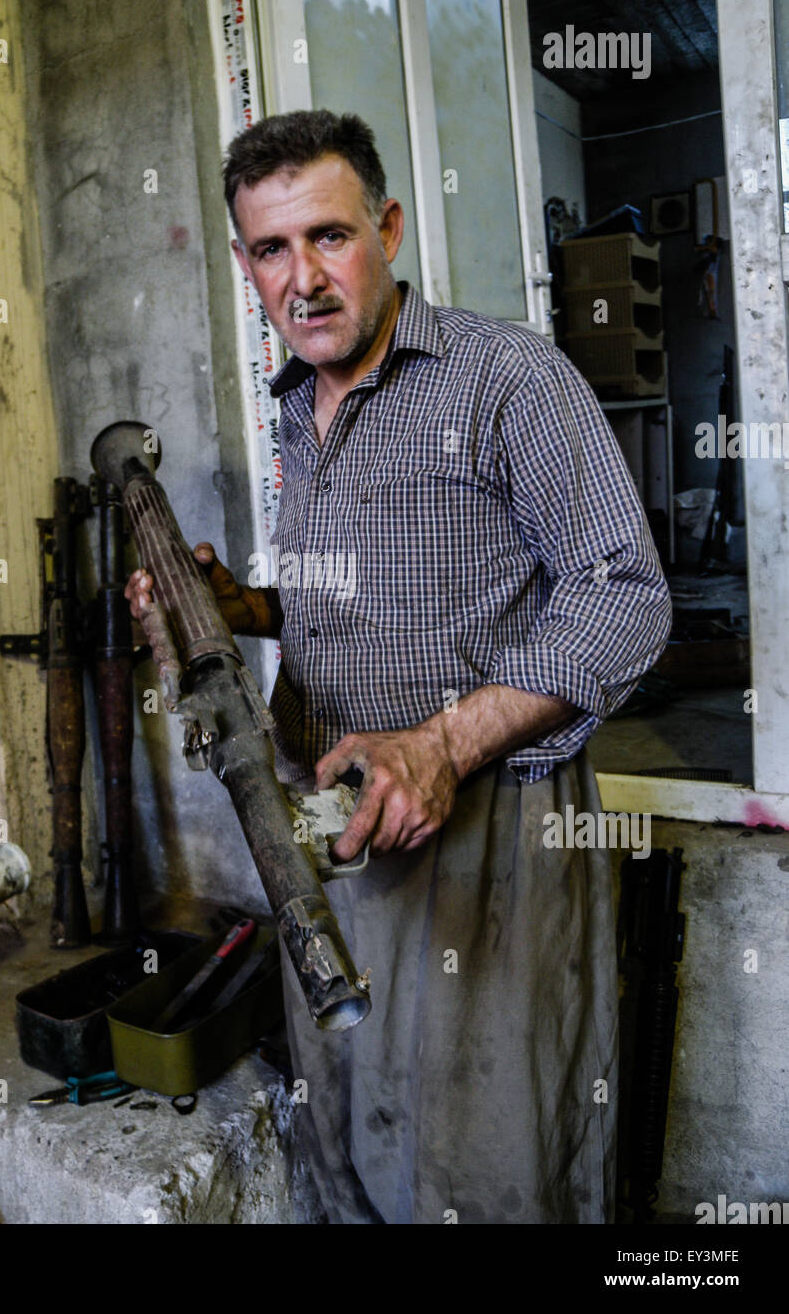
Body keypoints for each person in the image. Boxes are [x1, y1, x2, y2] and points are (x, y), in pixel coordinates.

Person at [126, 110, 672, 1224]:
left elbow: (624, 595)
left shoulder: (505, 378)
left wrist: (443, 743)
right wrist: (239, 607)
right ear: (245, 265)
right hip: (326, 836)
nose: (303, 279)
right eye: (271, 250)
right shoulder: (293, 411)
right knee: (348, 1125)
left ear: (387, 226)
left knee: (488, 1161)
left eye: (328, 236)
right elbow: (358, 596)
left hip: (487, 836)